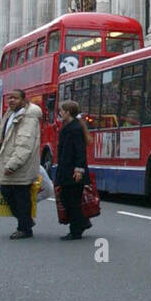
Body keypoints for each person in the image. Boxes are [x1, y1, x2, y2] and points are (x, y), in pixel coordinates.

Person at [0, 89, 43, 240]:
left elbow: (24, 143)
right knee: (8, 193)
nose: (11, 101)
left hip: (21, 166)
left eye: (15, 98)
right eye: (10, 98)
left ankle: (24, 228)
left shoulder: (28, 116)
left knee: (21, 198)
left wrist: (13, 164)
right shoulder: (11, 114)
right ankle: (26, 222)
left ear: (23, 100)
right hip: (9, 162)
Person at [55, 100, 91, 241]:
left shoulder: (74, 128)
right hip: (67, 169)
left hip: (72, 171)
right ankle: (81, 222)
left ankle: (76, 229)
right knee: (68, 198)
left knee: (71, 201)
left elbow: (80, 151)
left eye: (61, 110)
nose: (60, 113)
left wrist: (79, 170)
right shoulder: (69, 126)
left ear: (68, 112)